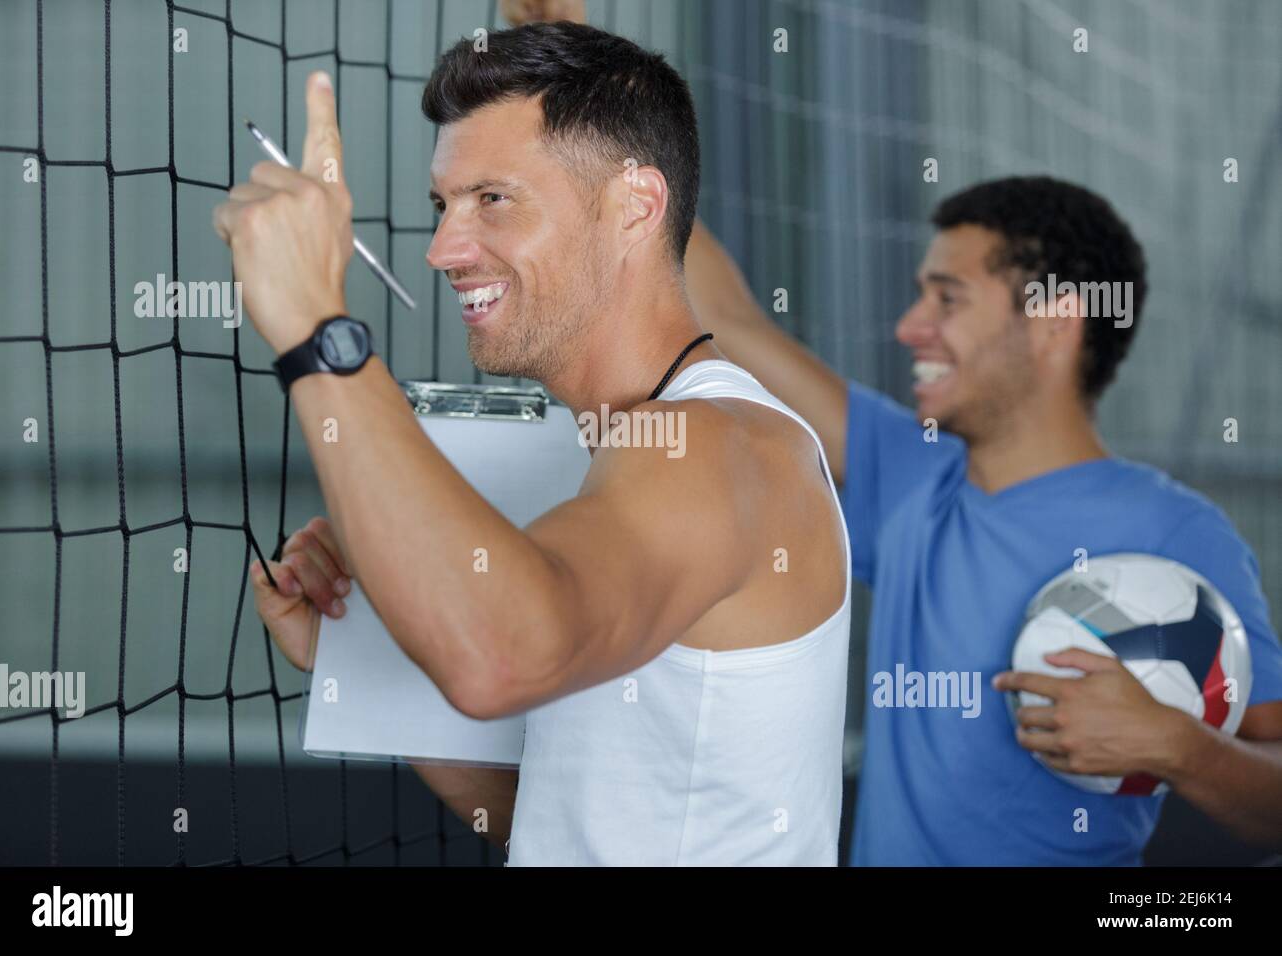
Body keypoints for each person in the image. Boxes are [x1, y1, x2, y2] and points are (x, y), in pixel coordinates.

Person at [212, 23, 851, 865]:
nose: (443, 249)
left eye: (493, 199)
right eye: (444, 205)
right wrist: (358, 653)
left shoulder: (712, 446)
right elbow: (575, 825)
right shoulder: (622, 446)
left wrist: (314, 326)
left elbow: (499, 660)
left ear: (635, 205)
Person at [684, 176, 1282, 864]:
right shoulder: (913, 471)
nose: (910, 326)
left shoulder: (1177, 532)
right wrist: (624, 147)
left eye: (948, 297)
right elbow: (728, 323)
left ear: (1054, 324)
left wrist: (1180, 747)